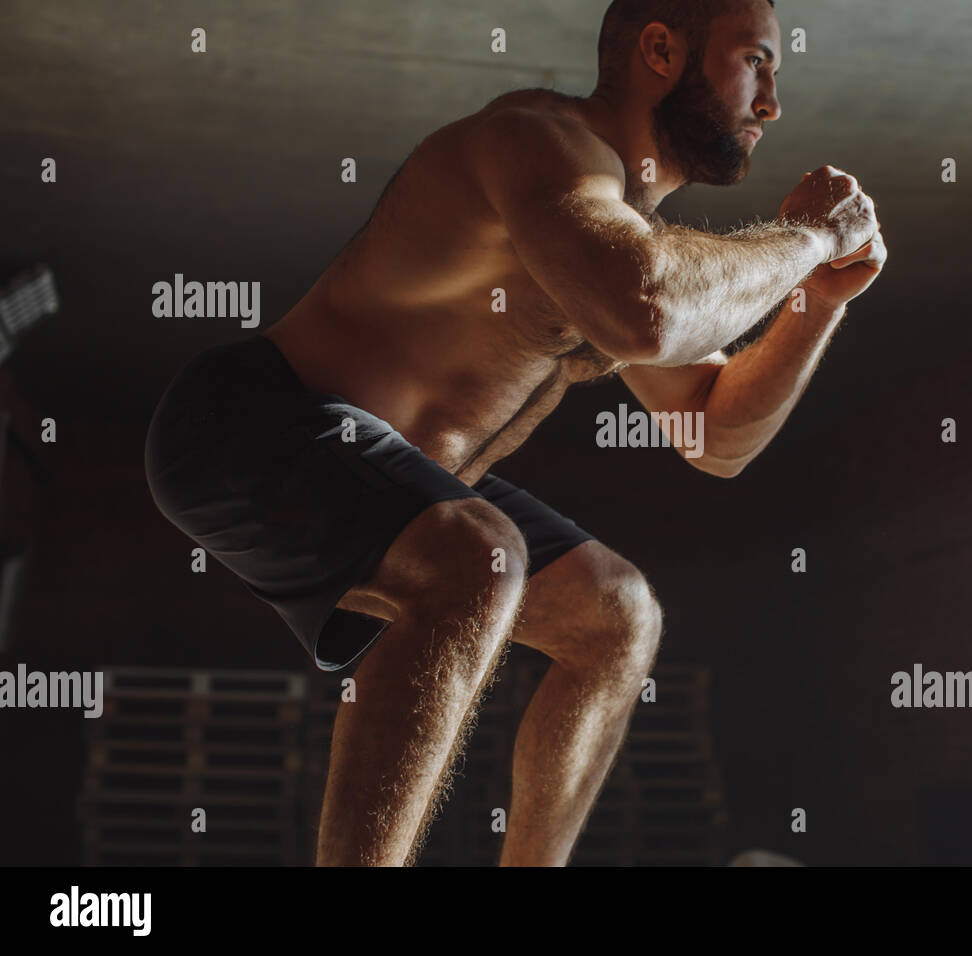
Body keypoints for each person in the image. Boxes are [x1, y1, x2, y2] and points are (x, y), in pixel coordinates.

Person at [144, 0, 887, 866]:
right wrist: (807, 237)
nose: (771, 106)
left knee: (617, 615)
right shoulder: (542, 148)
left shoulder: (622, 239)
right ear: (660, 47)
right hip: (254, 422)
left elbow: (716, 436)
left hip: (403, 479)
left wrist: (817, 301)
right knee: (477, 556)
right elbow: (646, 309)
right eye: (756, 62)